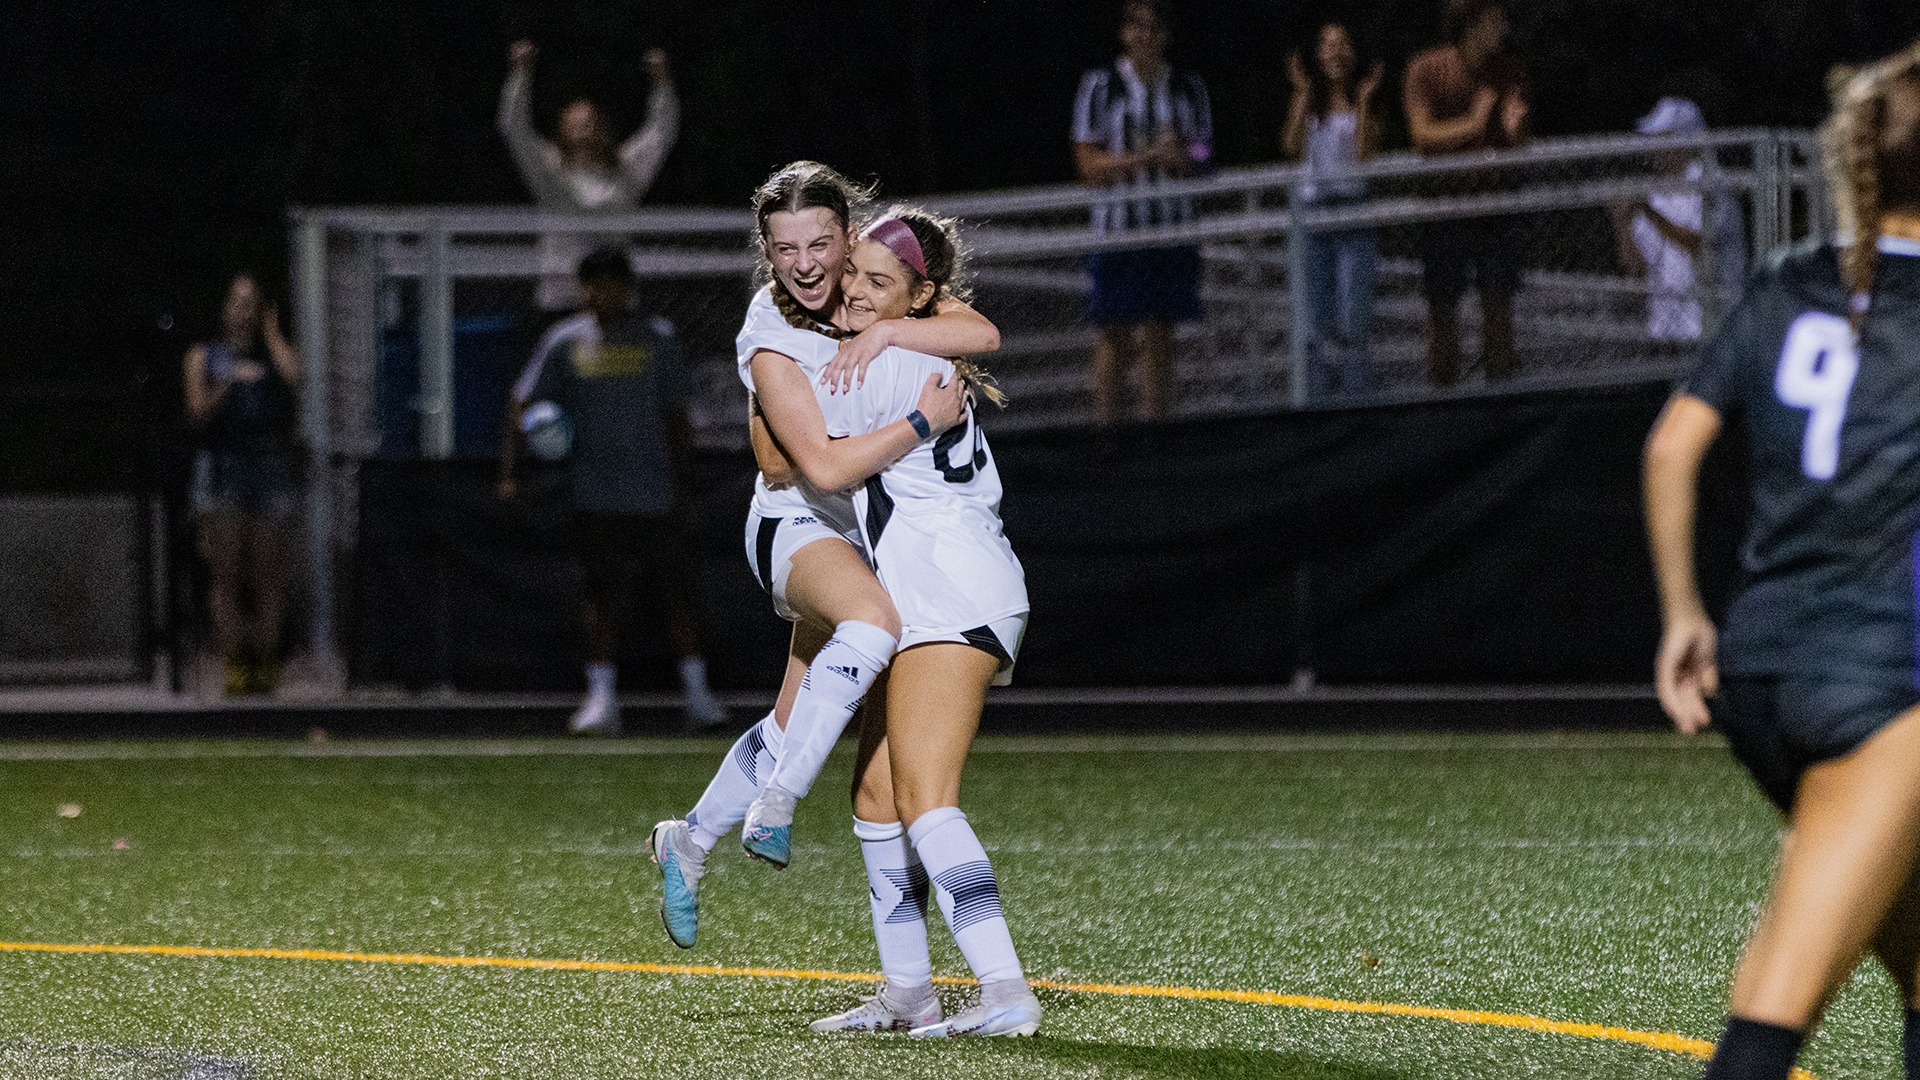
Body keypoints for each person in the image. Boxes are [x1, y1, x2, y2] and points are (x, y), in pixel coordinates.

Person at [1643, 44, 1920, 1080]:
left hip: (1762, 667)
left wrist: (1682, 615)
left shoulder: (1785, 281)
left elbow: (1671, 447)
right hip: (1884, 688)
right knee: (1768, 1026)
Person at [646, 162, 994, 962]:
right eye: (784, 248)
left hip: (869, 533)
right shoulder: (768, 332)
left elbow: (982, 334)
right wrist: (917, 417)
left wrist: (886, 329)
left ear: (849, 237)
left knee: (795, 720)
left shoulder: (875, 289)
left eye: (820, 243)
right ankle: (778, 804)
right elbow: (810, 470)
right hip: (796, 523)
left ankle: (689, 840)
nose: (804, 263)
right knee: (874, 625)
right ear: (766, 254)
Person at [745, 206, 1040, 1037]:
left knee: (925, 798)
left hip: (952, 586)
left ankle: (1006, 991)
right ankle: (909, 991)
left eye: (881, 283)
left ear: (920, 296)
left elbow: (785, 460)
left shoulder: (876, 363)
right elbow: (974, 331)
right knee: (876, 796)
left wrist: (765, 365)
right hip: (931, 587)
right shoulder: (908, 342)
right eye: (856, 277)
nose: (858, 295)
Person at [498, 246, 723, 734]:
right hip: (594, 494)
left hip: (655, 493)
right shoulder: (564, 342)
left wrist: (684, 484)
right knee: (601, 597)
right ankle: (602, 701)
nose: (601, 293)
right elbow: (522, 404)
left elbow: (676, 416)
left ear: (628, 287)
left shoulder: (657, 339)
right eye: (592, 284)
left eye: (611, 283)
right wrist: (516, 468)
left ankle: (698, 697)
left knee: (676, 595)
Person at [1071, 0, 1213, 426]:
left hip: (1170, 227)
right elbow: (1086, 162)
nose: (1143, 36)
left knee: (1160, 331)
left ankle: (1156, 432)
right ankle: (1107, 434)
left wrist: (1184, 156)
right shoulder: (1102, 85)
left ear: (1165, 34)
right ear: (1123, 32)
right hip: (1117, 230)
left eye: (1152, 27)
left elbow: (1205, 152)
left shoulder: (1187, 86)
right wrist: (1136, 160)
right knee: (1113, 331)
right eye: (1134, 26)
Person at [183, 273, 301, 697]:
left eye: (251, 303)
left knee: (269, 575)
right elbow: (197, 412)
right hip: (224, 471)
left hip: (269, 471)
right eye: (237, 302)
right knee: (226, 573)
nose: (243, 311)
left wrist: (272, 335)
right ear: (224, 308)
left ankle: (266, 663)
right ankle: (235, 664)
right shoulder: (204, 356)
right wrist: (229, 382)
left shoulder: (271, 354)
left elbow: (295, 377)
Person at [498, 39, 679, 312]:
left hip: (615, 303)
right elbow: (515, 128)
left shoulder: (625, 170)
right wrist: (520, 75)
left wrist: (662, 83)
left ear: (602, 127)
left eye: (590, 122)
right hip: (561, 298)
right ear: (562, 128)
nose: (583, 129)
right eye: (575, 123)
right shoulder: (549, 171)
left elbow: (660, 133)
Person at [1403, 0, 1529, 386]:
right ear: (1472, 24)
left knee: (1498, 310)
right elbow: (1422, 136)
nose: (1503, 27)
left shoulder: (1508, 72)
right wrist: (1474, 124)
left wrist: (1517, 130)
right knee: (1442, 312)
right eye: (1496, 18)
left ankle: (1501, 407)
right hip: (1445, 209)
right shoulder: (1426, 69)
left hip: (1496, 206)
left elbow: (1518, 143)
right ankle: (1443, 408)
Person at [1284, 23, 1385, 399]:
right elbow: (1291, 145)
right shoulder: (1309, 103)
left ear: (1354, 53)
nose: (1335, 53)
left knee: (1353, 322)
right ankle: (1315, 405)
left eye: (1343, 45)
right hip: (1313, 215)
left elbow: (1362, 157)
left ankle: (1356, 403)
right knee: (1313, 324)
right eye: (1327, 45)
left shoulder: (1367, 102)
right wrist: (1302, 92)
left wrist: (1362, 101)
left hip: (1353, 212)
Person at [1610, 96, 1748, 342]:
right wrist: (1622, 222)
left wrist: (1647, 212)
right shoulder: (1657, 194)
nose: (1654, 149)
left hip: (1712, 328)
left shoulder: (1712, 184)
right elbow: (1636, 269)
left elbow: (1696, 243)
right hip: (1665, 332)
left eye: (1663, 139)